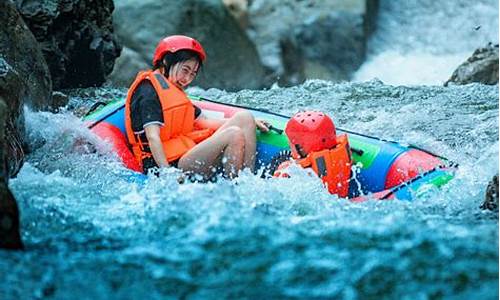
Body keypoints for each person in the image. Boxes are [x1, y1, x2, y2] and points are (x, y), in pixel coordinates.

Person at [125, 35, 269, 180]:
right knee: (233, 133)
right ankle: (237, 185)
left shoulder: (173, 91)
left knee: (245, 117)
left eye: (192, 74)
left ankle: (248, 178)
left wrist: (252, 123)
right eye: (185, 70)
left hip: (186, 153)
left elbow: (205, 121)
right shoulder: (148, 92)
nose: (187, 79)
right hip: (168, 165)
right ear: (166, 61)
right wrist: (168, 174)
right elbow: (153, 137)